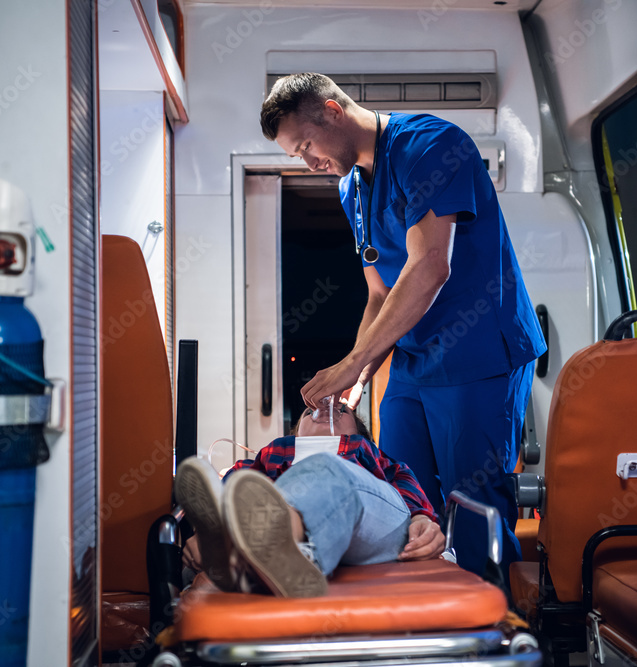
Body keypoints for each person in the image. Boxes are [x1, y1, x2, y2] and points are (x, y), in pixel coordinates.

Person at [259, 73, 546, 581]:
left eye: (306, 146)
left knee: (473, 505)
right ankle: (417, 624)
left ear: (332, 110)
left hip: (478, 354)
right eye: (296, 156)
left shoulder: (429, 145)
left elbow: (432, 264)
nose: (309, 163)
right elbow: (378, 292)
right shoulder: (352, 188)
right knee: (407, 503)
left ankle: (495, 636)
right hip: (413, 362)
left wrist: (350, 364)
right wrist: (358, 380)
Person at [176, 403, 445, 597]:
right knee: (243, 488)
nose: (325, 406)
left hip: (371, 527)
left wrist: (422, 519)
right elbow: (219, 500)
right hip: (305, 534)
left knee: (328, 468)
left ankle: (259, 553)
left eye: (341, 409)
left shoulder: (373, 458)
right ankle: (271, 562)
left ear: (359, 433)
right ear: (296, 433)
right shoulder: (255, 468)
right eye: (309, 409)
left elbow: (410, 498)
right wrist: (202, 535)